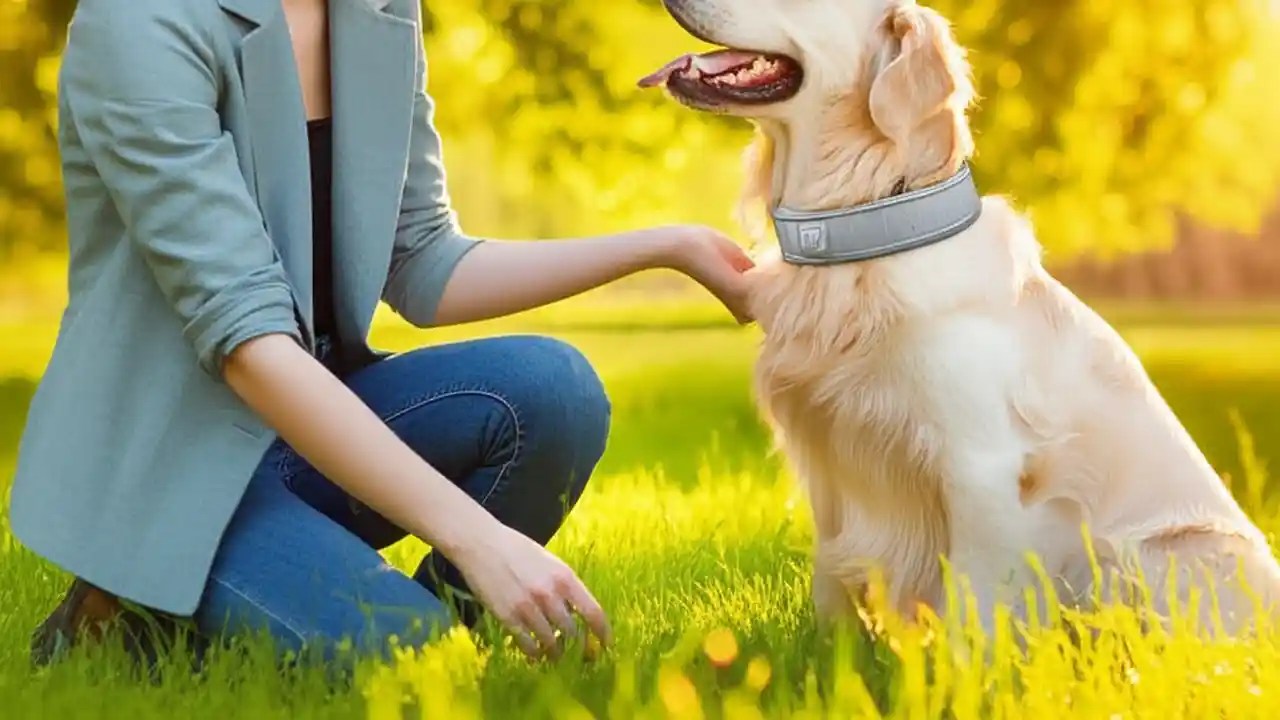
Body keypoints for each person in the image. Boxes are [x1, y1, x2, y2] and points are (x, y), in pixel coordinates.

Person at [12, 0, 754, 666]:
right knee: (414, 661)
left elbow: (424, 260)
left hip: (305, 430)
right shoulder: (140, 23)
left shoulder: (377, 7)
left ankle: (440, 638)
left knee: (554, 393)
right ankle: (121, 619)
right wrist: (479, 538)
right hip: (168, 468)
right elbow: (249, 343)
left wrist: (667, 246)